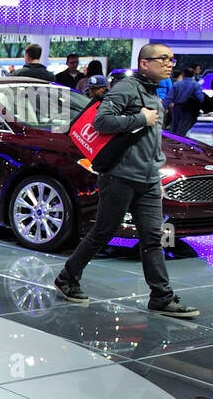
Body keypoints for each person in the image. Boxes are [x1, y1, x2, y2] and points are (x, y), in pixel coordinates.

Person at [53, 44, 198, 318]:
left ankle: (161, 297)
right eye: (163, 59)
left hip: (149, 178)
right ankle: (66, 278)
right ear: (144, 63)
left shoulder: (155, 92)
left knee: (153, 238)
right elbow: (101, 122)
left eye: (172, 59)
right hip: (120, 176)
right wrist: (140, 118)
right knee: (103, 232)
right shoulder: (127, 88)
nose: (170, 64)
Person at [167, 66, 202, 137]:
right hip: (189, 109)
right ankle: (180, 141)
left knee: (175, 126)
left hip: (176, 107)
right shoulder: (196, 85)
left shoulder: (177, 84)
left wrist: (164, 107)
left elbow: (169, 97)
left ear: (183, 74)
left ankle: (174, 140)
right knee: (183, 127)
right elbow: (200, 98)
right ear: (193, 75)